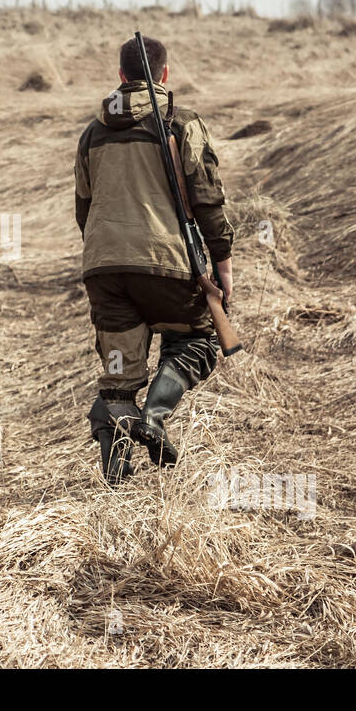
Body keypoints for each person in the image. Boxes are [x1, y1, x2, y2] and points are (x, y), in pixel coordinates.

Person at [74, 36, 235, 483]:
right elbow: (208, 200)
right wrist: (221, 261)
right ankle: (155, 416)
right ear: (164, 75)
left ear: (121, 77)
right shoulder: (181, 123)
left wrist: (109, 258)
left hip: (104, 267)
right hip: (168, 263)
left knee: (118, 374)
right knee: (198, 341)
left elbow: (83, 211)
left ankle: (116, 477)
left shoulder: (92, 132)